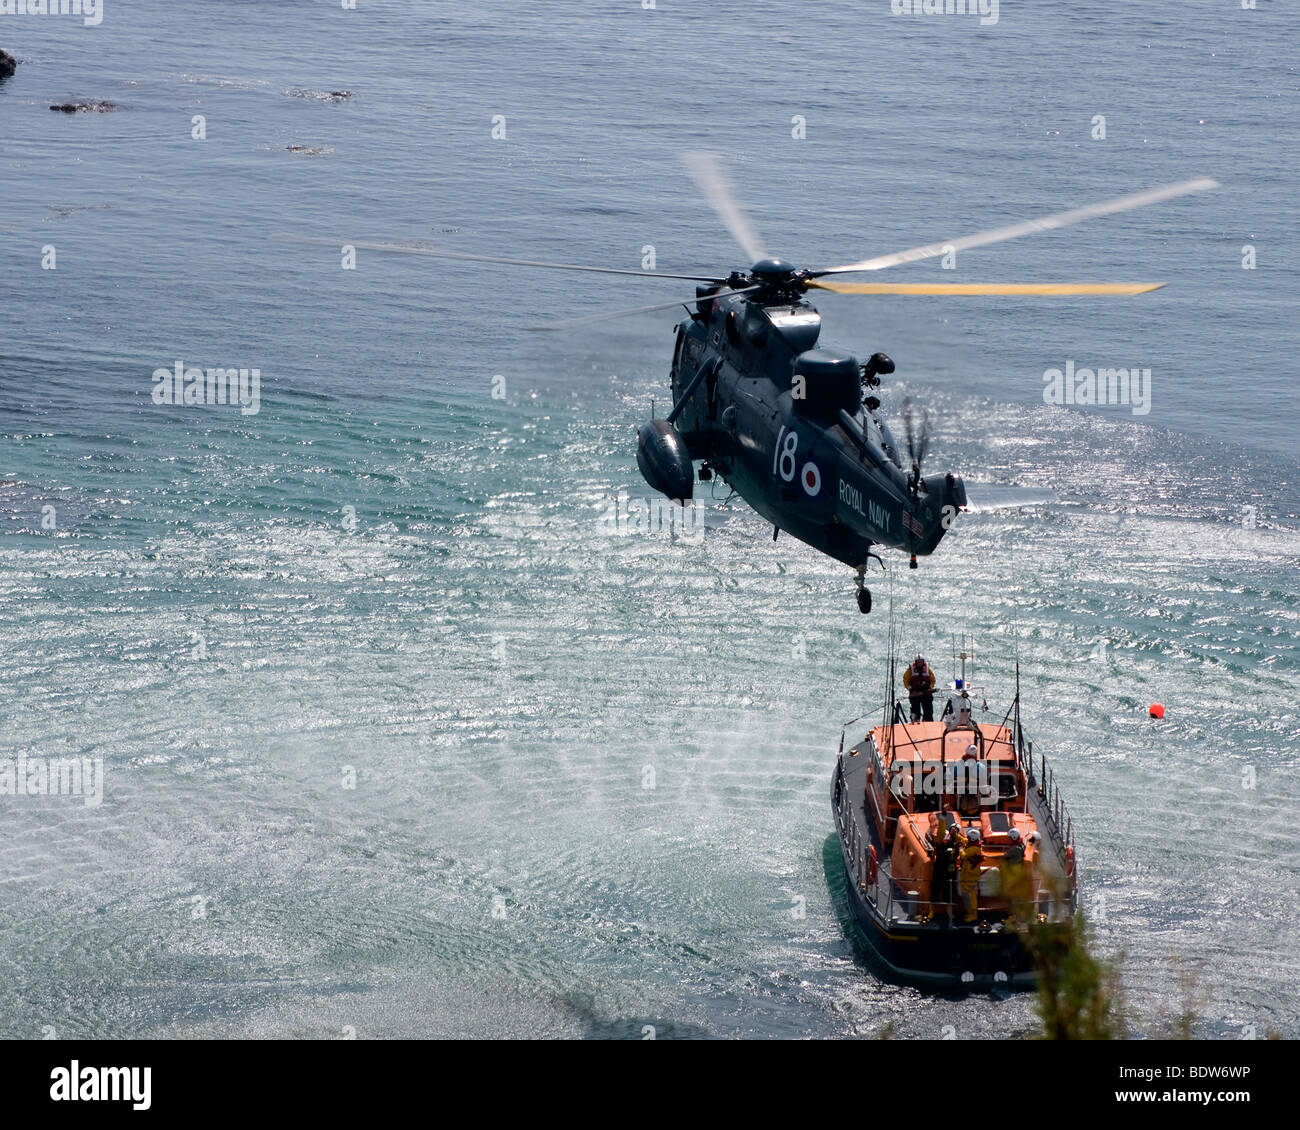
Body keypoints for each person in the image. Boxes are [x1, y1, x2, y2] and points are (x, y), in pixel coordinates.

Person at [999, 827, 1031, 925]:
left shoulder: (1014, 849)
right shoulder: (1021, 845)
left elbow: (1005, 856)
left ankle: (1014, 917)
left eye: (1010, 837)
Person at [957, 827, 983, 924]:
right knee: (967, 894)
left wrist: (960, 848)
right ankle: (970, 912)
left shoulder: (973, 849)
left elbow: (963, 855)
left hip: (970, 874)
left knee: (970, 895)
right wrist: (956, 835)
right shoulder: (972, 843)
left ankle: (973, 914)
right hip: (967, 873)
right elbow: (964, 840)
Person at [903, 654, 935, 722]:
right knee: (915, 712)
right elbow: (905, 680)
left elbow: (933, 680)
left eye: (921, 661)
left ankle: (928, 722)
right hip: (914, 693)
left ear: (923, 662)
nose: (919, 663)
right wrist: (911, 689)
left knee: (928, 712)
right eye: (918, 661)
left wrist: (930, 687)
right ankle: (915, 722)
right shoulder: (910, 670)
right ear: (916, 662)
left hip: (926, 693)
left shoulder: (927, 670)